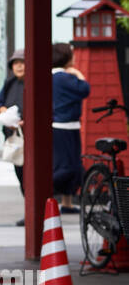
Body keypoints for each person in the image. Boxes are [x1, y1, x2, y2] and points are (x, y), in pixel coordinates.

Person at [52, 42, 90, 212]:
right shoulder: (65, 78)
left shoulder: (52, 76)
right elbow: (85, 89)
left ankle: (66, 203)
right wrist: (78, 74)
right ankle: (48, 190)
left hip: (57, 126)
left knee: (65, 164)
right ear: (65, 57)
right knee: (69, 167)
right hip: (66, 127)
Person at [0, 49, 25, 221]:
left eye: (22, 62)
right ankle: (29, 210)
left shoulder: (33, 83)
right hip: (14, 138)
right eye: (16, 63)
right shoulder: (10, 82)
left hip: (28, 137)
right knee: (20, 174)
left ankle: (34, 212)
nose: (19, 66)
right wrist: (2, 109)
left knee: (29, 176)